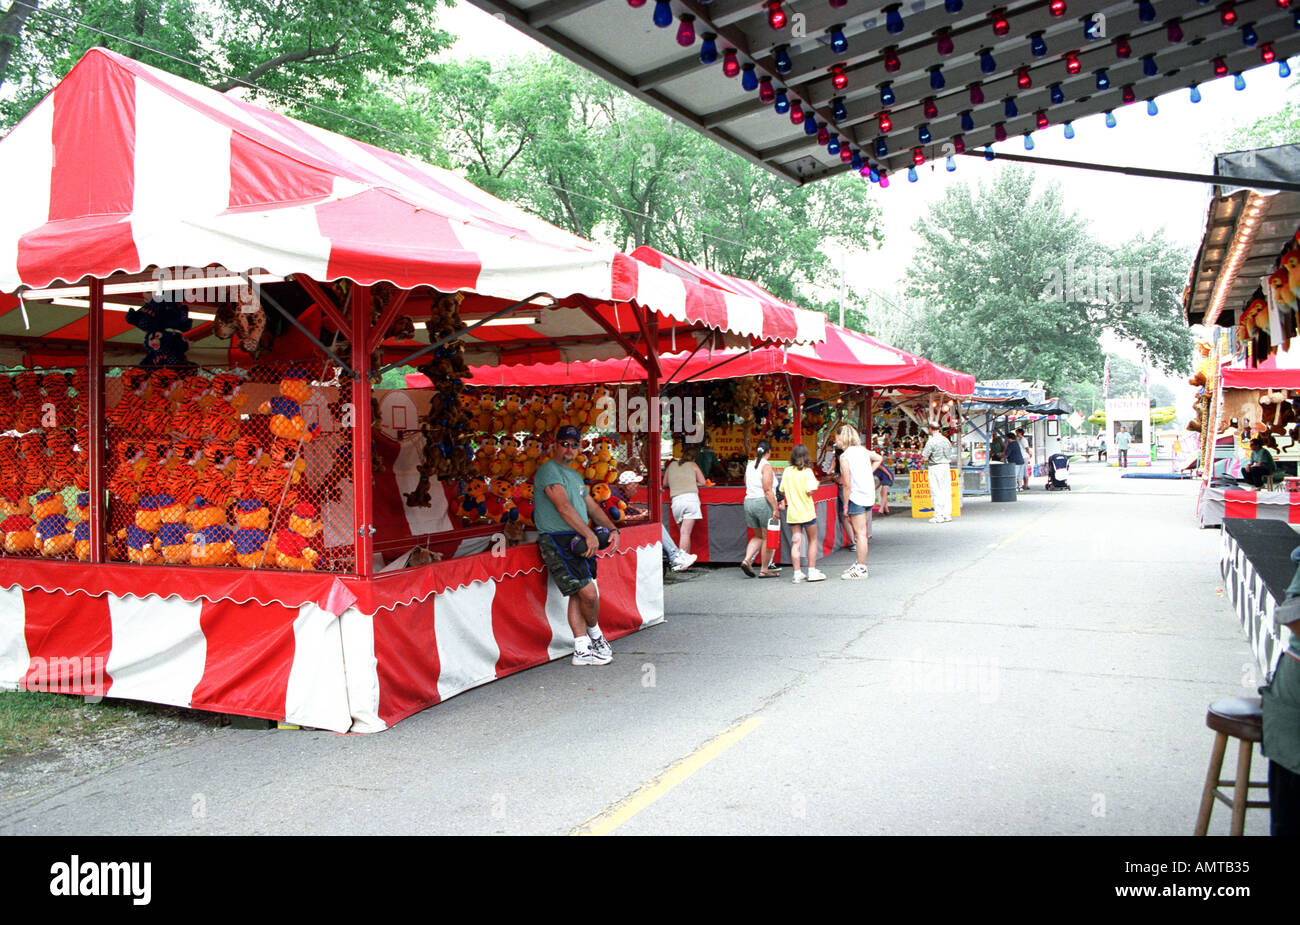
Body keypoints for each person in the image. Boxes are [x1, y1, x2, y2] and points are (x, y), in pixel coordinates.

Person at [534, 425, 622, 667]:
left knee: (579, 593)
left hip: (578, 537)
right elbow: (563, 507)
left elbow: (592, 506)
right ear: (555, 445)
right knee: (588, 592)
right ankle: (596, 636)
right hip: (558, 537)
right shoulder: (548, 471)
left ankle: (582, 649)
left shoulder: (574, 475)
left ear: (579, 448)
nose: (569, 449)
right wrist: (588, 533)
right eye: (564, 443)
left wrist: (613, 529)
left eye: (574, 445)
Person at [836, 424, 882, 579]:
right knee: (862, 532)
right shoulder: (863, 451)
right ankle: (859, 563)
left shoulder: (845, 456)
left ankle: (861, 568)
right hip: (868, 495)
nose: (836, 442)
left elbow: (846, 483)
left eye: (837, 439)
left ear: (843, 438)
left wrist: (845, 505)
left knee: (860, 534)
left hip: (856, 496)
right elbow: (878, 458)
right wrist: (868, 472)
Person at [781, 444, 824, 583]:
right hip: (807, 512)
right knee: (812, 540)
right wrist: (817, 484)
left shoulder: (787, 471)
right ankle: (811, 571)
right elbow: (810, 491)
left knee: (796, 542)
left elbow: (782, 490)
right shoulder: (807, 472)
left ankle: (797, 573)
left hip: (793, 513)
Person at [740, 439, 781, 578]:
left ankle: (747, 560)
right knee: (767, 537)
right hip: (763, 503)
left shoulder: (750, 465)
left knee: (758, 536)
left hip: (749, 502)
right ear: (769, 452)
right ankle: (764, 570)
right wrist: (775, 508)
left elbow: (746, 482)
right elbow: (767, 490)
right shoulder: (766, 466)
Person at [664, 445, 706, 558]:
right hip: (691, 500)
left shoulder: (671, 465)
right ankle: (682, 561)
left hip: (676, 501)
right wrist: (691, 482)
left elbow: (665, 483)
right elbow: (703, 482)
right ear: (694, 458)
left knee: (684, 533)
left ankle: (686, 562)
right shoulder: (693, 465)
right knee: (685, 533)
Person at [922, 421, 954, 523]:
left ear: (930, 429)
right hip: (946, 466)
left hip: (935, 467)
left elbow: (925, 457)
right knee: (946, 490)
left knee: (936, 491)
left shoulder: (931, 441)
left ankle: (938, 515)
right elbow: (950, 455)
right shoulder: (946, 440)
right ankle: (947, 514)